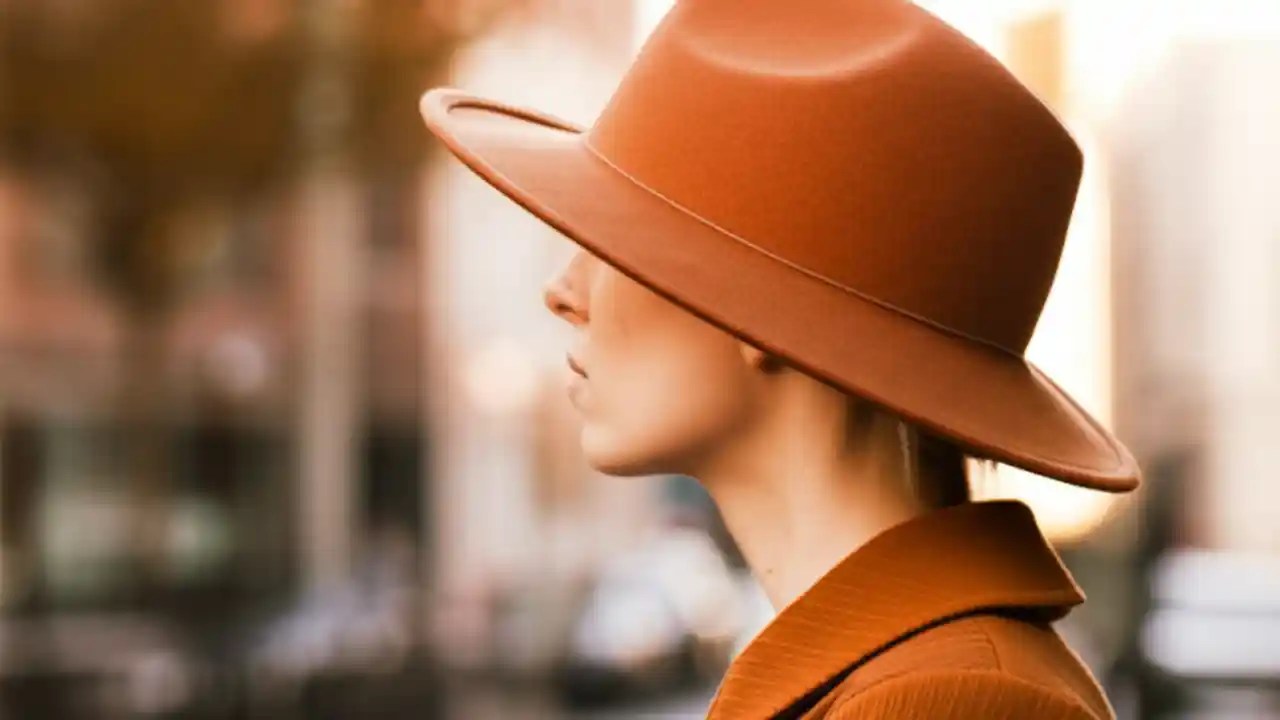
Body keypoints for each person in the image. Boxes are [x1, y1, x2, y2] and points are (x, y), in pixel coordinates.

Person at [418, 0, 1142, 717]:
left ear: (758, 312)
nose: (563, 291)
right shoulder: (907, 678)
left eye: (613, 240)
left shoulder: (946, 699)